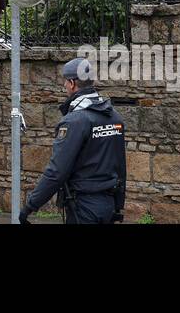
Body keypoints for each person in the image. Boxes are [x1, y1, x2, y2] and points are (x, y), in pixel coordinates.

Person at [20, 57, 127, 225]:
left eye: (65, 82)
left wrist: (30, 206)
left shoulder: (74, 121)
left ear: (72, 83)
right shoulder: (115, 117)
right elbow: (121, 166)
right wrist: (118, 206)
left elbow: (57, 172)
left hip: (83, 208)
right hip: (108, 205)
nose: (64, 86)